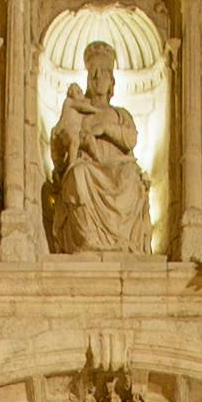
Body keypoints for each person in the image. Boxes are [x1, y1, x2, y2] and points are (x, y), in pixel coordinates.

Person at [44, 40, 152, 254]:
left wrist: (105, 128)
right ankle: (87, 239)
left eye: (103, 73)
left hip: (118, 167)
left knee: (130, 176)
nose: (97, 77)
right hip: (88, 167)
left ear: (111, 81)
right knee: (77, 174)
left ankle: (123, 240)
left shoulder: (121, 114)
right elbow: (60, 153)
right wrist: (59, 139)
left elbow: (131, 139)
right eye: (93, 72)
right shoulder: (78, 111)